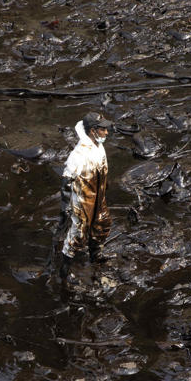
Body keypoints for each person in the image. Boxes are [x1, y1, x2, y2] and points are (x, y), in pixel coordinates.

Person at [55, 112, 113, 281]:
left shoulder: (99, 147)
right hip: (83, 201)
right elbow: (66, 181)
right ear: (93, 130)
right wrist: (65, 208)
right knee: (78, 234)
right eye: (103, 129)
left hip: (99, 197)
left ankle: (95, 256)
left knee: (102, 223)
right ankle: (64, 271)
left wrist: (105, 186)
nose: (106, 133)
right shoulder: (78, 154)